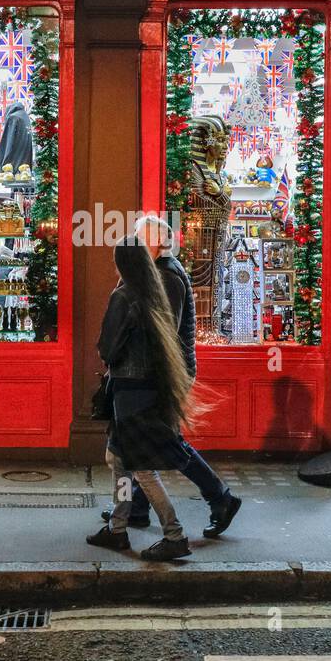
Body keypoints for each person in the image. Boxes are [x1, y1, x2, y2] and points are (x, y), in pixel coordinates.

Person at [99, 215, 242, 539]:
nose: (136, 245)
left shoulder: (167, 277)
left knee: (165, 444)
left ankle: (219, 499)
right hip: (154, 375)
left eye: (140, 239)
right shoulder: (153, 274)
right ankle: (136, 507)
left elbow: (164, 333)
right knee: (130, 448)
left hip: (163, 375)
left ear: (158, 243)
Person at [87, 237, 198, 561]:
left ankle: (174, 534)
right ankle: (118, 528)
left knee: (141, 468)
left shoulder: (124, 295)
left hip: (129, 389)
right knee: (118, 459)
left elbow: (107, 347)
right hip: (149, 387)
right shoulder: (155, 293)